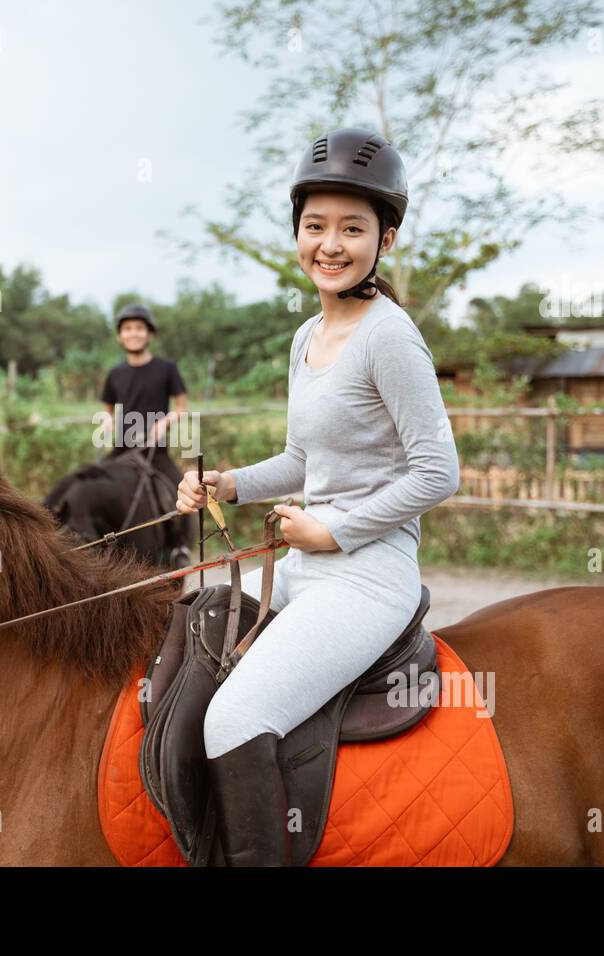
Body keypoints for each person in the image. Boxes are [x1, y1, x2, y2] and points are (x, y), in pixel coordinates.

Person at [175, 127, 461, 866]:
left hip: (366, 577)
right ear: (297, 234)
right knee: (176, 638)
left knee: (235, 717)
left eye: (352, 229)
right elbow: (306, 459)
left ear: (386, 240)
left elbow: (439, 472)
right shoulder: (308, 335)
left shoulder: (389, 338)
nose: (330, 244)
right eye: (315, 227)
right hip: (305, 566)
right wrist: (228, 485)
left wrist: (334, 532)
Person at [98, 304, 195, 559]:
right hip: (122, 448)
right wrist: (106, 421)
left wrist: (165, 422)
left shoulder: (166, 369)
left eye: (140, 328)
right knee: (90, 483)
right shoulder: (115, 373)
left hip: (155, 450)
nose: (134, 333)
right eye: (128, 329)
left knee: (178, 489)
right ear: (120, 336)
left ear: (150, 334)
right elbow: (107, 409)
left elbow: (182, 407)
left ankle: (179, 547)